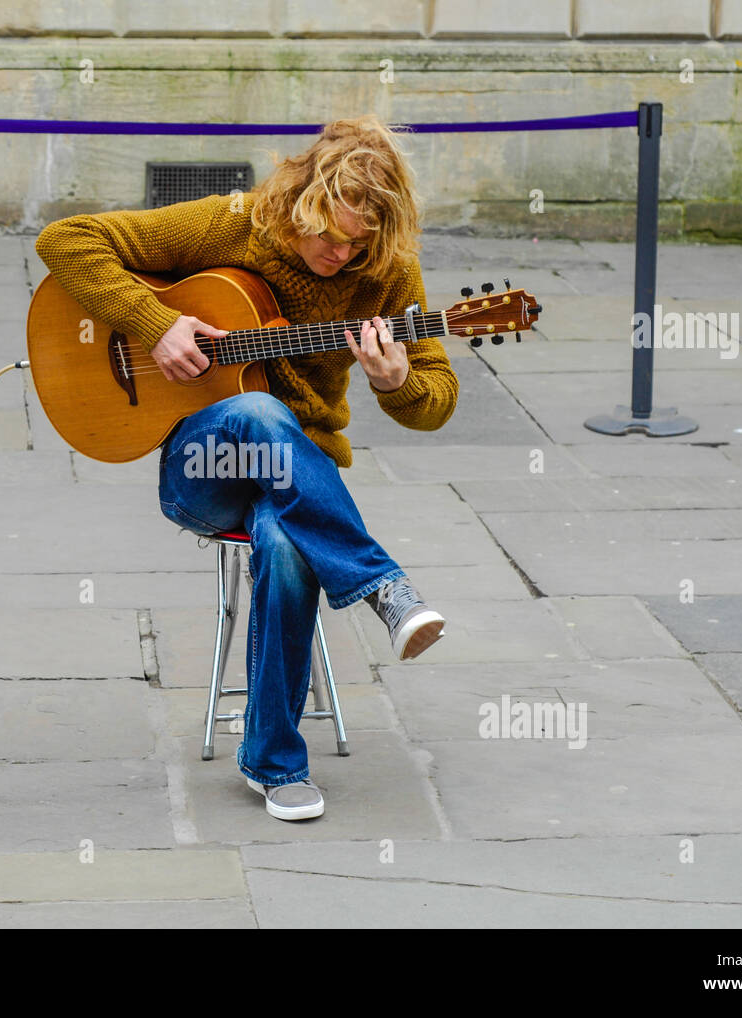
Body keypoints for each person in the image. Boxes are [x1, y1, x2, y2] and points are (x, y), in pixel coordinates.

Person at [34, 115, 458, 821]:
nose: (340, 253)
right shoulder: (234, 224)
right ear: (301, 201)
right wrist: (154, 324)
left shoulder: (385, 271)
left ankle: (273, 763)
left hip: (299, 480)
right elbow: (64, 240)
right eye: (328, 234)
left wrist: (396, 383)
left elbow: (437, 399)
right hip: (202, 470)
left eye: (357, 243)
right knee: (259, 411)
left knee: (289, 544)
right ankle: (385, 587)